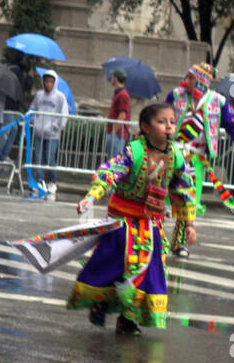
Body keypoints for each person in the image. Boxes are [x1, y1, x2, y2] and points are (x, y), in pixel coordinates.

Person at [67, 102, 196, 336]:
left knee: (148, 270)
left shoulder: (176, 156)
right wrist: (91, 197)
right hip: (122, 222)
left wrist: (188, 223)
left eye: (171, 122)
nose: (168, 127)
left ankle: (128, 319)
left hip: (151, 223)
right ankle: (102, 302)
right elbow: (109, 173)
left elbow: (183, 191)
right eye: (161, 121)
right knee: (114, 265)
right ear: (145, 127)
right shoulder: (134, 151)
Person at [166, 62, 234, 254]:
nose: (185, 81)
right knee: (160, 195)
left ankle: (180, 242)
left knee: (189, 200)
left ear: (201, 81)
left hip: (197, 157)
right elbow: (159, 116)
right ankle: (153, 238)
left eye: (190, 78)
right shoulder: (175, 95)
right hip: (172, 153)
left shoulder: (218, 101)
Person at [30, 70, 69, 199]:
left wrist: (55, 127)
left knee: (50, 158)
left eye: (51, 82)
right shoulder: (39, 95)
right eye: (46, 81)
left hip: (52, 135)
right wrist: (30, 119)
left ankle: (52, 181)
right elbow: (32, 108)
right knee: (39, 158)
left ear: (54, 83)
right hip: (39, 132)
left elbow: (64, 115)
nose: (48, 84)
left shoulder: (59, 97)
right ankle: (40, 181)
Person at [106, 68, 131, 157]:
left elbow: (122, 115)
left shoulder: (122, 95)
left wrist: (114, 131)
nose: (111, 78)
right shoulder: (119, 94)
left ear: (116, 78)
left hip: (117, 135)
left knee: (114, 160)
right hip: (115, 134)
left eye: (112, 76)